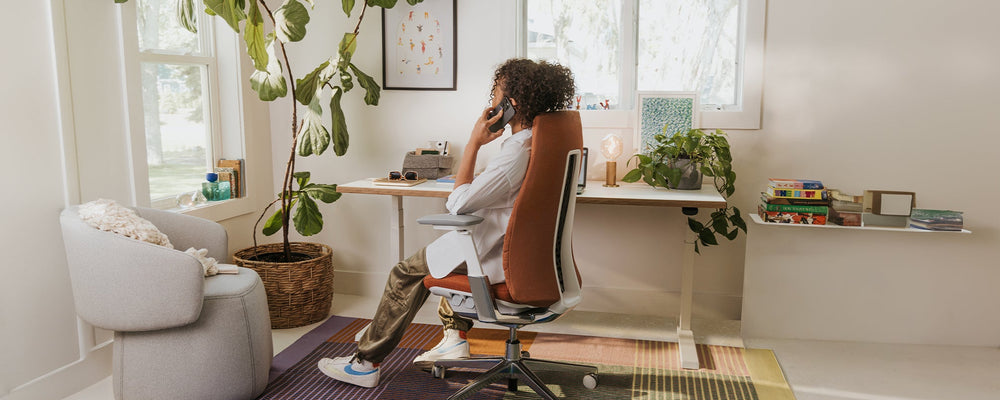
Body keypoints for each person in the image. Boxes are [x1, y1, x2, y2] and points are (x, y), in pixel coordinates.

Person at [317, 58, 576, 388]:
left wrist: (473, 143)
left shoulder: (515, 152)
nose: (490, 104)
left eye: (495, 96)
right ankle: (454, 338)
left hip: (497, 258)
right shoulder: (540, 141)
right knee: (447, 256)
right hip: (531, 262)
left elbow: (458, 204)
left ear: (510, 105)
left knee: (406, 273)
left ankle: (365, 362)